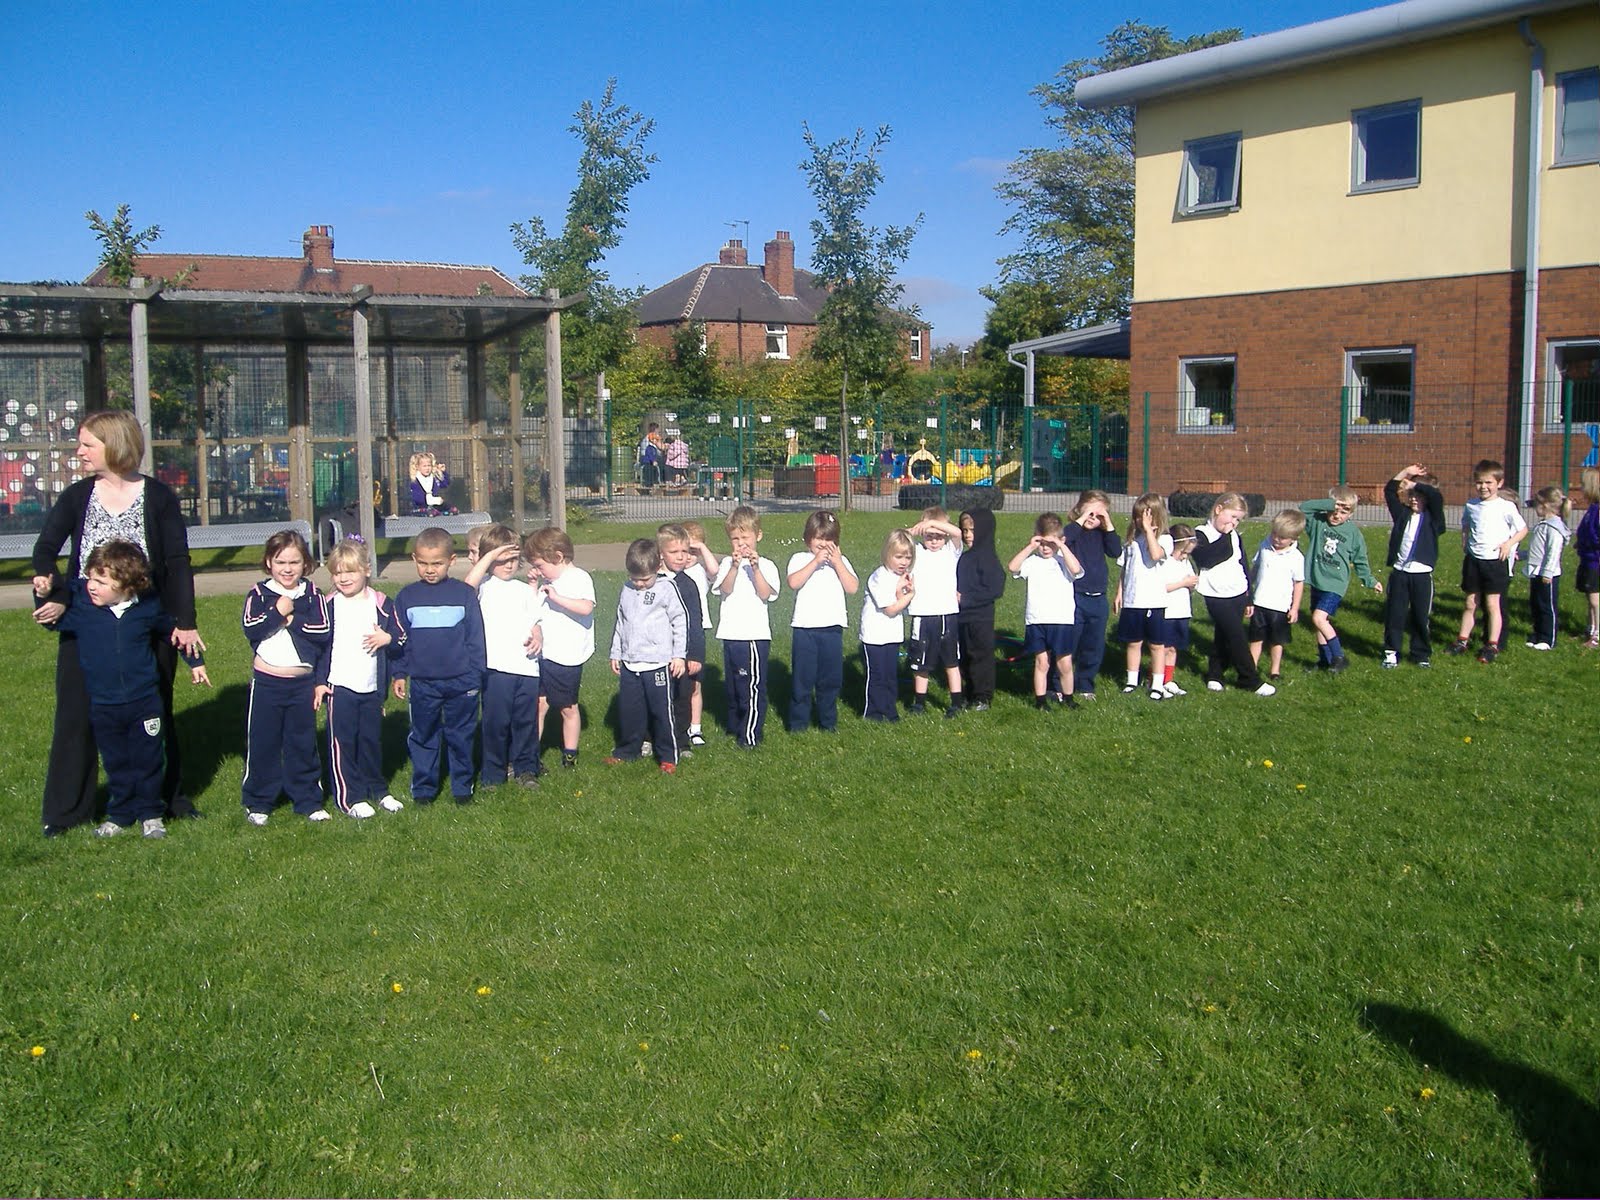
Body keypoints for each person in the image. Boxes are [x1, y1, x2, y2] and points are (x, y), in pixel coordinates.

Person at [30, 409, 202, 837]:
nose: (80, 451)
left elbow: (178, 563)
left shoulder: (158, 497)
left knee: (154, 712)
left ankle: (166, 801)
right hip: (87, 622)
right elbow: (45, 549)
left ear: (115, 445)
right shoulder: (77, 496)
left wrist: (185, 622)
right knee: (76, 715)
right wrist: (48, 587)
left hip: (144, 620)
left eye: (87, 443)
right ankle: (66, 813)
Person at [35, 540, 209, 839]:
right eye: (91, 577)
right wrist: (44, 595)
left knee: (149, 760)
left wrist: (196, 663)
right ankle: (120, 813)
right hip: (104, 705)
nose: (92, 586)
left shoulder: (147, 610)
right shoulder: (83, 611)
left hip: (143, 703)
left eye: (101, 581)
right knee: (116, 762)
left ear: (128, 585)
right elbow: (53, 619)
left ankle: (151, 814)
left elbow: (173, 632)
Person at [241, 528, 333, 824]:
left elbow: (321, 632)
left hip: (301, 684)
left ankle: (307, 799)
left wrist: (291, 618)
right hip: (267, 683)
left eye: (294, 563)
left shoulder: (312, 594)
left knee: (302, 742)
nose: (287, 569)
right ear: (269, 562)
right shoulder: (259, 594)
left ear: (305, 564)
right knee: (263, 741)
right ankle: (259, 801)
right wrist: (276, 611)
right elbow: (252, 628)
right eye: (281, 562)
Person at [314, 536, 407, 818]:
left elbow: (401, 638)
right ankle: (350, 797)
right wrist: (319, 683)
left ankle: (377, 789)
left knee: (370, 741)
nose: (343, 578)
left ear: (367, 570)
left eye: (350, 571)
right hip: (339, 685)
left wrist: (389, 641)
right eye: (337, 572)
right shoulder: (328, 606)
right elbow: (318, 649)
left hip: (371, 687)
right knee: (343, 742)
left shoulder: (381, 604)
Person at [391, 528, 484, 803]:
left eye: (437, 563)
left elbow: (475, 638)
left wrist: (475, 675)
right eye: (423, 563)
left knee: (461, 735)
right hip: (423, 683)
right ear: (414, 559)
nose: (430, 570)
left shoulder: (464, 594)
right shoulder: (406, 597)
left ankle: (461, 788)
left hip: (461, 682)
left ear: (451, 561)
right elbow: (401, 640)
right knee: (423, 736)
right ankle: (424, 789)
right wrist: (399, 673)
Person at [466, 525, 544, 788]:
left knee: (525, 721)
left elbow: (535, 619)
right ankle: (493, 773)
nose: (509, 566)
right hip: (496, 668)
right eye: (503, 560)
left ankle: (526, 768)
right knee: (495, 723)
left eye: (513, 560)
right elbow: (468, 585)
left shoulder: (523, 590)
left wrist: (538, 635)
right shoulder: (483, 587)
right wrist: (490, 556)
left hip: (526, 667)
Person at [606, 538, 688, 771]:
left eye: (645, 579)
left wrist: (678, 655)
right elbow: (621, 622)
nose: (640, 584)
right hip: (631, 663)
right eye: (635, 579)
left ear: (657, 567)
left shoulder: (666, 589)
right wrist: (616, 653)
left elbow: (679, 622)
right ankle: (627, 750)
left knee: (662, 712)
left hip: (658, 663)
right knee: (631, 710)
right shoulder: (627, 590)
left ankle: (668, 756)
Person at [526, 525, 596, 769]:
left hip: (567, 656)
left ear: (558, 557)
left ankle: (569, 752)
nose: (538, 570)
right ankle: (531, 753)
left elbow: (586, 607)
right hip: (544, 653)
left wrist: (557, 598)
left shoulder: (579, 578)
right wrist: (534, 586)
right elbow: (532, 609)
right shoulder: (548, 581)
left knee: (567, 707)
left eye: (540, 565)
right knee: (539, 703)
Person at [1192, 492, 1275, 696]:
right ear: (1218, 509)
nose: (1234, 523)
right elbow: (1207, 559)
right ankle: (1249, 678)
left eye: (1238, 519)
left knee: (1224, 634)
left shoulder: (1234, 536)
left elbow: (1242, 563)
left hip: (1237, 591)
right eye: (1232, 517)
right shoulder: (1201, 533)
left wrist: (1248, 596)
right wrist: (1227, 535)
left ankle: (1215, 673)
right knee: (1236, 635)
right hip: (1214, 593)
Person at [1446, 459, 1528, 663]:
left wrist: (1508, 545)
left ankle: (1492, 645)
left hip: (1494, 562)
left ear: (1499, 483)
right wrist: (1465, 541)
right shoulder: (1471, 505)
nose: (1483, 487)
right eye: (1480, 483)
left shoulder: (1506, 506)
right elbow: (1465, 524)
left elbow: (1523, 529)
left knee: (1492, 604)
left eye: (1488, 483)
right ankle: (1462, 641)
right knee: (1470, 602)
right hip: (1474, 560)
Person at [786, 509, 859, 732]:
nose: (824, 544)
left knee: (830, 679)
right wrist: (816, 562)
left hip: (832, 629)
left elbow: (852, 588)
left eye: (829, 539)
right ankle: (798, 723)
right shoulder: (800, 558)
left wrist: (837, 563)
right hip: (805, 628)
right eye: (819, 538)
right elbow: (793, 582)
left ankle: (828, 721)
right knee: (803, 678)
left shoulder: (841, 561)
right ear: (808, 539)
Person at [714, 506, 780, 748]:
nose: (741, 544)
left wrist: (755, 567)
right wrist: (733, 566)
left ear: (758, 536)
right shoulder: (726, 564)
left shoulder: (767, 565)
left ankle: (750, 735)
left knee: (750, 687)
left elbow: (765, 593)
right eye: (735, 539)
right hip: (730, 633)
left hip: (753, 635)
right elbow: (725, 589)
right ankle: (734, 726)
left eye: (745, 538)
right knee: (733, 687)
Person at [1007, 512, 1085, 710]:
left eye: (1050, 543)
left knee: (1064, 663)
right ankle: (1040, 701)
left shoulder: (1063, 561)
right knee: (1042, 662)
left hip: (1062, 619)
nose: (1045, 548)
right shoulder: (1032, 562)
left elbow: (1076, 570)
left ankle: (1068, 698)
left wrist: (1061, 546)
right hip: (1037, 619)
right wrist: (1031, 546)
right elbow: (1012, 567)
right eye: (1042, 543)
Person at [1300, 486, 1381, 672]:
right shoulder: (1318, 523)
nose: (1338, 515)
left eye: (1344, 512)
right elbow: (1304, 508)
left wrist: (1369, 580)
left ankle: (1339, 656)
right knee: (1320, 622)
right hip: (1316, 580)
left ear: (1351, 513)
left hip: (1335, 584)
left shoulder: (1353, 533)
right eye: (1334, 510)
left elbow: (1361, 559)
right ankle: (1324, 661)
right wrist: (1329, 503)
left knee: (1319, 618)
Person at [1381, 463, 1445, 668]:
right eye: (1412, 495)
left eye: (1419, 495)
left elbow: (1436, 497)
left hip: (1421, 575)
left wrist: (1414, 486)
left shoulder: (1434, 519)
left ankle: (1420, 653)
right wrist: (1405, 473)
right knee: (1395, 614)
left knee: (1420, 615)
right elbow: (1390, 490)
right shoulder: (1402, 514)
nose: (1414, 499)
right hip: (1400, 573)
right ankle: (1391, 652)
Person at [1061, 489, 1121, 701]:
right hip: (1076, 596)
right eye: (1090, 514)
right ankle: (1059, 683)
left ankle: (1085, 683)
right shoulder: (1074, 532)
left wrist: (1108, 524)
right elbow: (1065, 537)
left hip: (1098, 598)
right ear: (1079, 510)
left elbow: (1116, 551)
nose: (1093, 519)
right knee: (1070, 642)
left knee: (1093, 644)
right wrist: (1082, 519)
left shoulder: (1102, 535)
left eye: (1099, 516)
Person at [906, 507, 965, 717]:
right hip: (922, 614)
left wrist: (934, 525)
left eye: (938, 536)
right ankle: (919, 701)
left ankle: (956, 701)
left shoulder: (951, 550)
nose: (933, 541)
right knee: (922, 664)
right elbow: (901, 538)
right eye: (929, 536)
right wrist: (918, 529)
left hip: (946, 614)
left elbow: (958, 533)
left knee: (951, 661)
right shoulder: (916, 552)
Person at [1113, 493, 1170, 700]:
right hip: (1132, 600)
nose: (1140, 521)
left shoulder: (1165, 539)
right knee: (1133, 642)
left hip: (1153, 602)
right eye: (1137, 517)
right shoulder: (1131, 541)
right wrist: (1119, 593)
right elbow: (1124, 569)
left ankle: (1157, 683)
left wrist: (1148, 532)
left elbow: (1156, 556)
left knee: (1156, 645)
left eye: (1145, 517)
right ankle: (1131, 681)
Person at [656, 524, 707, 753]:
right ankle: (650, 737)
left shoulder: (688, 585)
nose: (681, 557)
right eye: (674, 552)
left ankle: (681, 740)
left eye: (685, 552)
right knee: (655, 697)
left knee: (681, 697)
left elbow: (695, 622)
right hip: (655, 652)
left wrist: (695, 655)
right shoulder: (652, 581)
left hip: (682, 654)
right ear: (660, 554)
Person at [860, 528, 916, 722]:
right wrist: (909, 596)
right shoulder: (879, 576)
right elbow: (890, 609)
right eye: (899, 557)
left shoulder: (902, 577)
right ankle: (873, 712)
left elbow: (900, 606)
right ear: (887, 554)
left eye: (908, 558)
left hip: (892, 635)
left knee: (890, 675)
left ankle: (890, 710)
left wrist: (904, 593)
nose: (903, 562)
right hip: (874, 636)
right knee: (876, 676)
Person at [955, 508, 1005, 711]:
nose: (967, 535)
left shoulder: (988, 558)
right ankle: (969, 693)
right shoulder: (965, 558)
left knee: (981, 656)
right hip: (962, 616)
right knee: (965, 655)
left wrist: (965, 599)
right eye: (964, 530)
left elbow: (995, 589)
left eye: (972, 530)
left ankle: (983, 696)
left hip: (981, 617)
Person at [1248, 510, 1307, 682]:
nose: (1276, 539)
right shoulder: (1264, 546)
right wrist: (1248, 592)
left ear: (1294, 538)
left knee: (1276, 640)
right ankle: (1252, 667)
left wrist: (1295, 608)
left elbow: (1298, 583)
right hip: (1259, 602)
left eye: (1282, 537)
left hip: (1280, 606)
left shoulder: (1296, 557)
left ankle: (1275, 671)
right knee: (1256, 638)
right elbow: (1255, 568)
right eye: (1274, 534)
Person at [677, 519, 718, 746]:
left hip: (697, 631)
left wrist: (701, 548)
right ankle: (676, 723)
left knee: (695, 683)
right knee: (677, 680)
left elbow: (715, 570)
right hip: (675, 633)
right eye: (686, 550)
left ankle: (695, 727)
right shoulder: (673, 573)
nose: (689, 556)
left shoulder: (701, 571)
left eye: (693, 551)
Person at [1524, 486, 1572, 651]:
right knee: (1536, 605)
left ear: (1544, 505)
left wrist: (1548, 573)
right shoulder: (1543, 524)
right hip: (1536, 572)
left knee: (1547, 607)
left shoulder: (1554, 528)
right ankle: (1537, 634)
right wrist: (1522, 555)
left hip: (1547, 575)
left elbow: (1553, 553)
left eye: (1536, 504)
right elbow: (1536, 549)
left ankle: (1548, 639)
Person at [1158, 524, 1200, 696]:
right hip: (1167, 611)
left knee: (1173, 648)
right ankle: (1156, 679)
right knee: (1163, 648)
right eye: (1182, 552)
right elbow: (1163, 587)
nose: (1184, 556)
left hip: (1182, 611)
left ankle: (1168, 679)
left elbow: (1191, 581)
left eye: (1188, 553)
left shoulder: (1185, 562)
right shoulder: (1164, 562)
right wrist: (1183, 583)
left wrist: (1192, 584)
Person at [1574, 468, 1600, 648]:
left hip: (1596, 561)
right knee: (1588, 597)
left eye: (1584, 485)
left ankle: (1597, 634)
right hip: (1587, 558)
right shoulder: (1592, 509)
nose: (1581, 489)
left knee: (1594, 599)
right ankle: (1589, 629)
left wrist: (1588, 544)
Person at [408, 451, 456, 516]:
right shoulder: (415, 481)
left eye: (429, 466)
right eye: (424, 466)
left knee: (449, 507)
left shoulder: (434, 478)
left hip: (435, 507)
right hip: (421, 508)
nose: (427, 468)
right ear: (418, 467)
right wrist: (433, 500)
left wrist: (443, 472)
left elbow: (445, 484)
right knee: (429, 510)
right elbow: (417, 499)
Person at [638, 422, 664, 490]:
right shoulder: (650, 439)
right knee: (651, 467)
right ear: (655, 429)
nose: (659, 431)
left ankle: (659, 481)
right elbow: (648, 452)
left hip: (653, 457)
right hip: (647, 458)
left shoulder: (652, 438)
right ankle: (653, 483)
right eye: (658, 429)